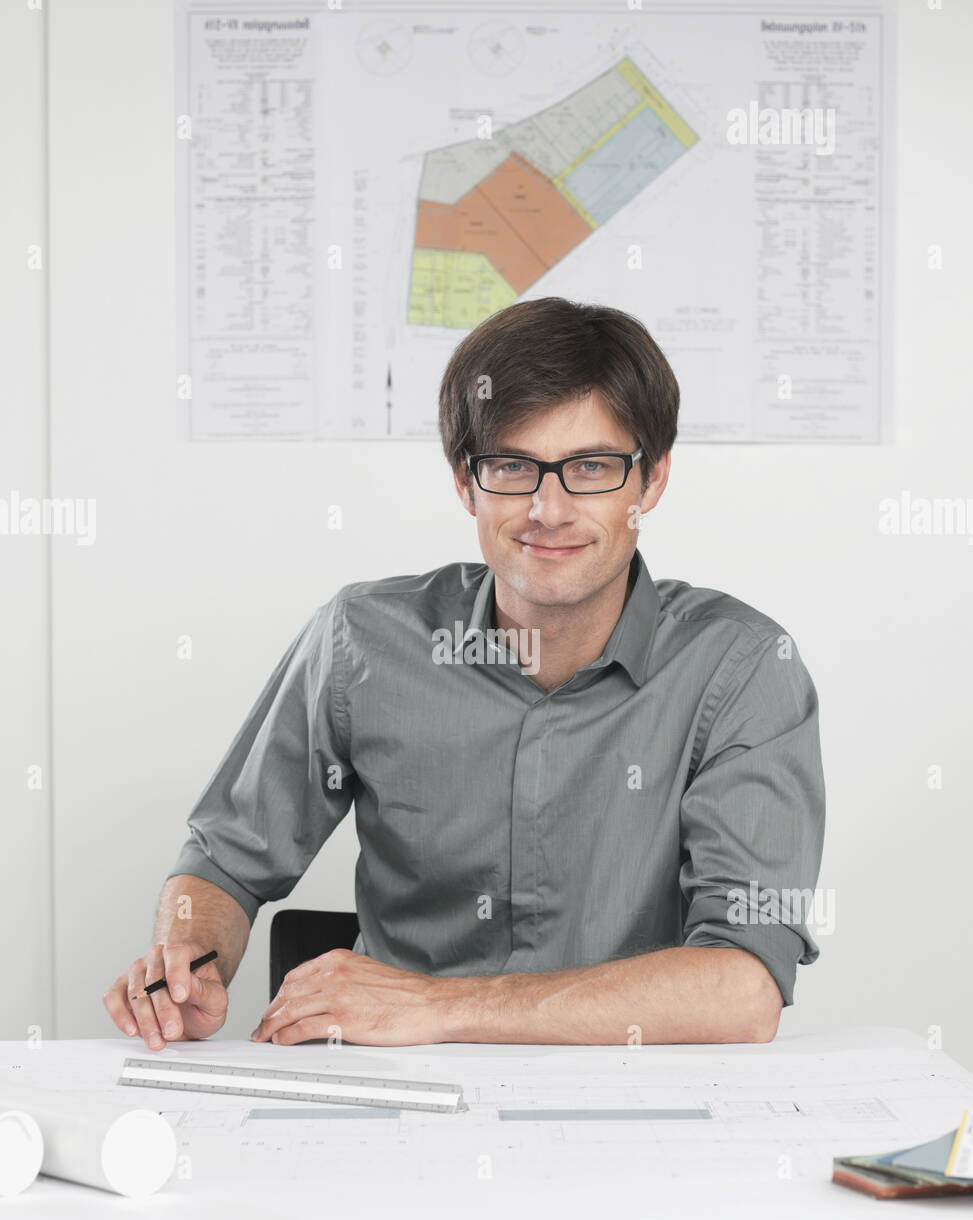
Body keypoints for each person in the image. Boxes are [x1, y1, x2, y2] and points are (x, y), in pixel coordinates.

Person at [103, 297, 825, 1049]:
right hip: (385, 1096)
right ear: (465, 483)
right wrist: (189, 961)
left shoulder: (742, 670)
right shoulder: (361, 640)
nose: (549, 508)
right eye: (512, 467)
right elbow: (225, 860)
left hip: (637, 1093)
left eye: (591, 468)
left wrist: (440, 1005)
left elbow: (743, 984)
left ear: (651, 482)